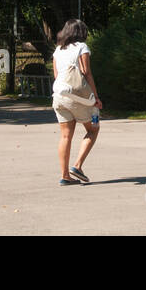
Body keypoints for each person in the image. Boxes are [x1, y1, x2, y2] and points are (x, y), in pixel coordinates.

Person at [50, 18, 102, 186]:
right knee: (94, 128)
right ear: (81, 32)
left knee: (65, 136)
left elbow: (57, 75)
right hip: (78, 97)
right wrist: (95, 97)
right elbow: (87, 73)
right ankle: (77, 166)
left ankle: (65, 175)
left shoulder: (57, 50)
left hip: (59, 96)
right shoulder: (82, 47)